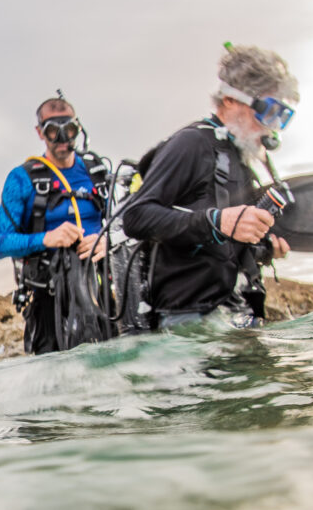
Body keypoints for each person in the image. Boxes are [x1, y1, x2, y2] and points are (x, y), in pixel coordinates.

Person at [122, 44, 298, 330]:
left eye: (281, 116)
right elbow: (135, 217)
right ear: (230, 99)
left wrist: (266, 248)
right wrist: (217, 221)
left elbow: (226, 246)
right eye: (267, 111)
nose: (271, 127)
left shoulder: (239, 158)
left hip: (236, 312)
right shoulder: (192, 144)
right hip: (188, 320)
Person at [0, 96, 110, 354]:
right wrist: (46, 238)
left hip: (98, 288)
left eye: (69, 131)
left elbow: (124, 223)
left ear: (78, 129)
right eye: (53, 132)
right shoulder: (22, 179)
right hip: (48, 297)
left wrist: (107, 241)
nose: (63, 140)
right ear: (40, 133)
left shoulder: (96, 171)